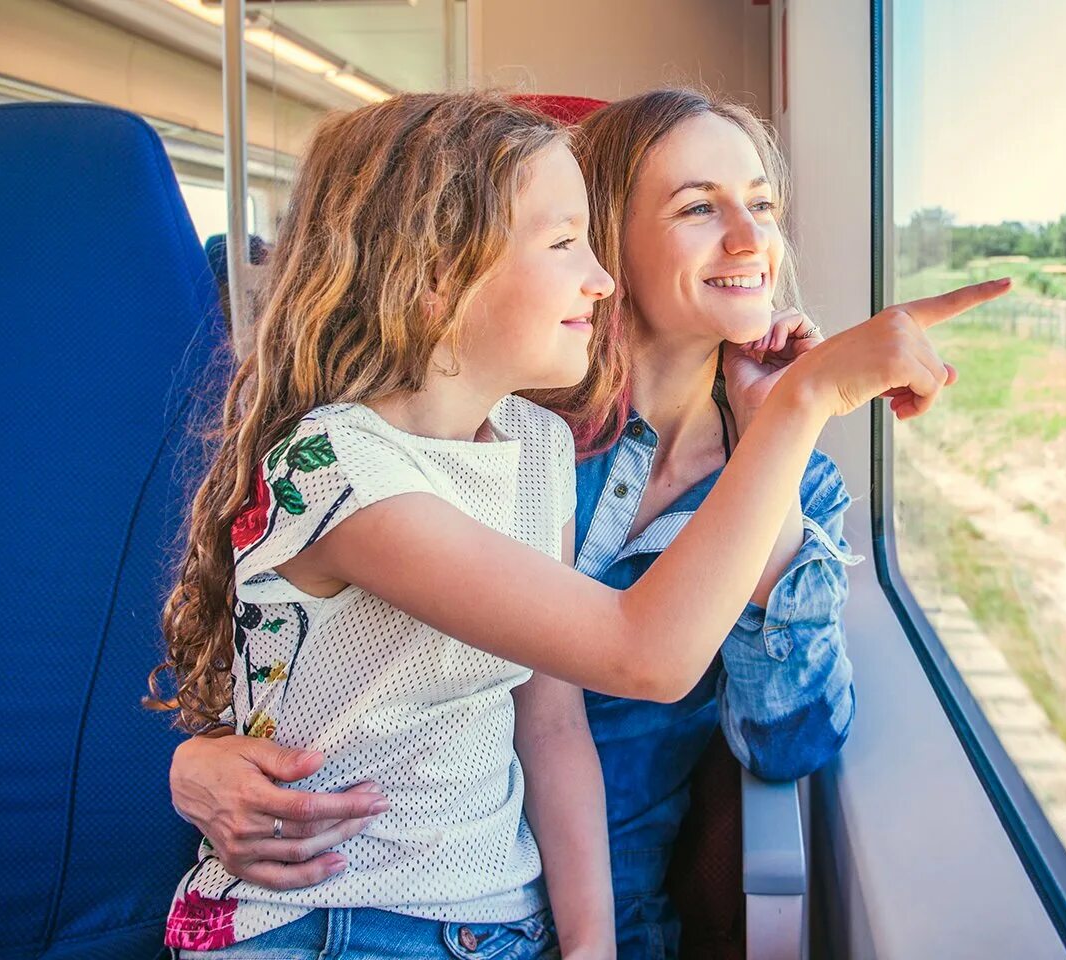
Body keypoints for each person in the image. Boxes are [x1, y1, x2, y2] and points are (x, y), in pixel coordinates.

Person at [156, 89, 1006, 959]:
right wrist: (201, 758)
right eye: (697, 207)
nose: (751, 240)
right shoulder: (479, 427)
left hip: (579, 900)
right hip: (362, 908)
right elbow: (317, 667)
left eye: (761, 204)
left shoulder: (594, 455)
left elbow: (784, 743)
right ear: (608, 234)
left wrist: (770, 440)